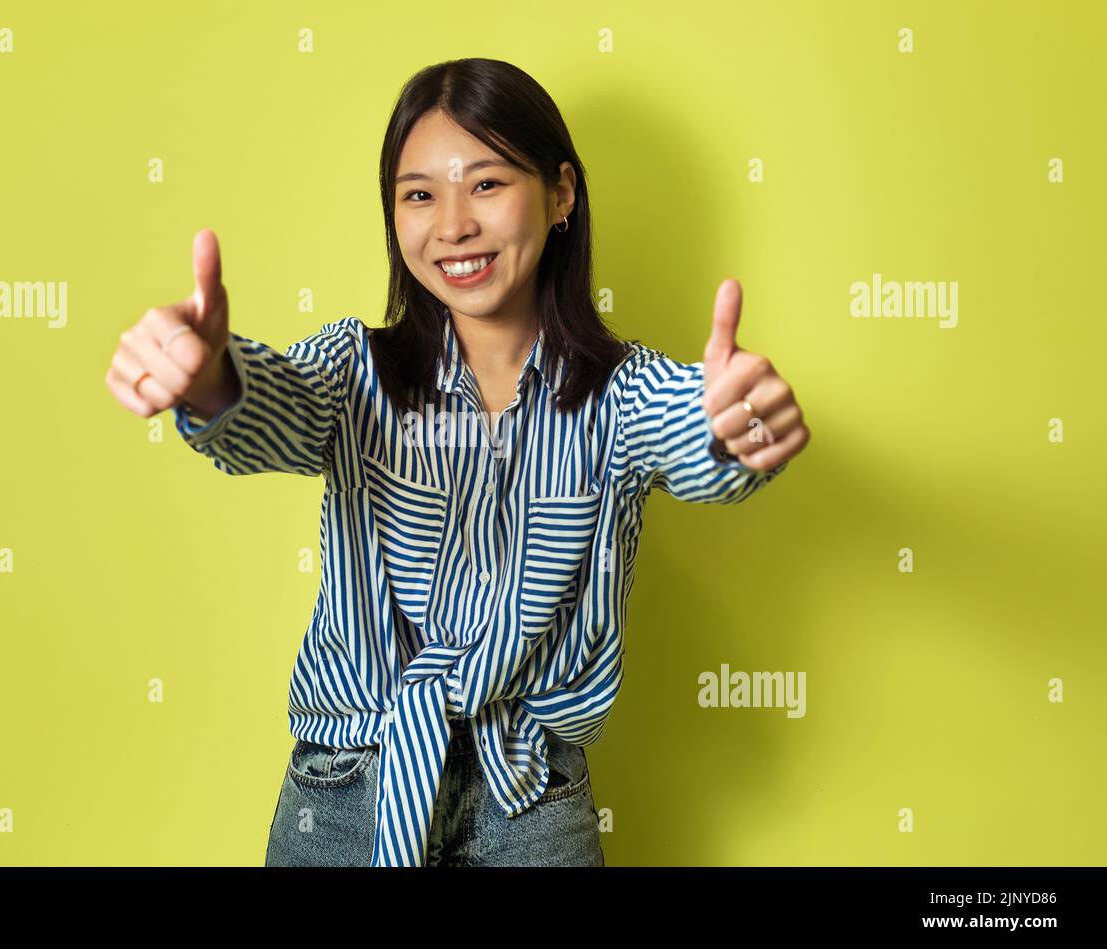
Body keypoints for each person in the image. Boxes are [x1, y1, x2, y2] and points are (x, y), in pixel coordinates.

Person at [104, 58, 809, 867]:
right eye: (418, 194)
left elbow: (695, 429)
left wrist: (735, 427)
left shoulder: (622, 393)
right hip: (343, 796)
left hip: (531, 803)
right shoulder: (354, 370)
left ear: (562, 194)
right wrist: (208, 375)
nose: (452, 226)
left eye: (485, 184)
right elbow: (274, 402)